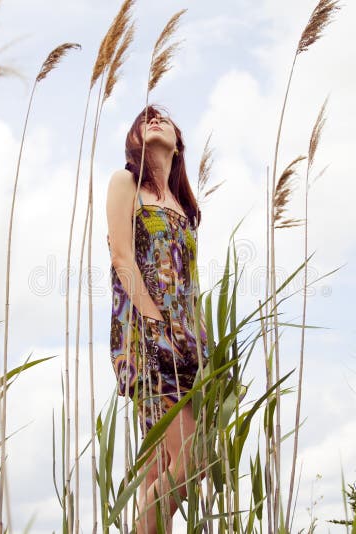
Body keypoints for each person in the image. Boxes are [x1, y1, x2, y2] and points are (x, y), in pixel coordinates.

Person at [105, 104, 209, 533]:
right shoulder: (126, 182)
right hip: (149, 340)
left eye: (162, 117)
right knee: (193, 460)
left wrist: (201, 337)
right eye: (144, 119)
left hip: (187, 344)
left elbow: (190, 282)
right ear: (135, 140)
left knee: (157, 472)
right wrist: (155, 325)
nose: (154, 120)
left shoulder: (184, 207)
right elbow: (122, 257)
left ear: (178, 141)